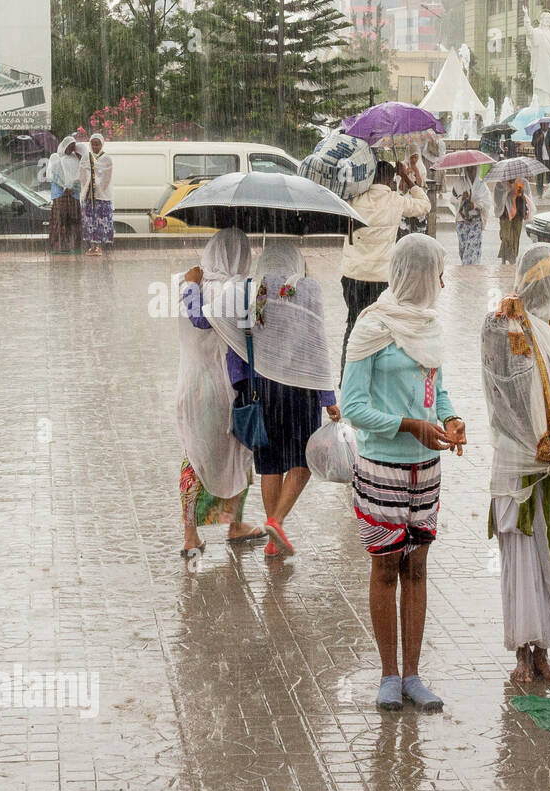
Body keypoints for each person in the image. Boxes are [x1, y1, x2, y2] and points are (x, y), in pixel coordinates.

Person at [340, 234, 466, 712]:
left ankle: (413, 674)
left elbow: (438, 387)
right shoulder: (372, 327)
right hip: (381, 469)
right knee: (385, 566)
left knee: (417, 567)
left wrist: (450, 418)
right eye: (436, 271)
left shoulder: (428, 326)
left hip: (426, 469)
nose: (441, 280)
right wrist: (408, 425)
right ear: (415, 273)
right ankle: (388, 675)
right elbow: (353, 406)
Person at [184, 239, 339, 557]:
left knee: (270, 464)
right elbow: (317, 343)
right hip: (300, 389)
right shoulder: (307, 289)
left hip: (259, 389)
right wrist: (327, 395)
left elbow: (200, 319)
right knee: (303, 460)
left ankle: (272, 538)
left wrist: (190, 287)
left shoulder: (245, 290)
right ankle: (276, 523)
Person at [482, 244, 550, 684]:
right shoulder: (501, 324)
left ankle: (543, 650)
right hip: (519, 460)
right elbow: (498, 394)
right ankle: (522, 656)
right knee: (522, 554)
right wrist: (532, 440)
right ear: (544, 278)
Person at [177, 228, 262, 559]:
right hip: (224, 389)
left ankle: (190, 535)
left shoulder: (190, 285)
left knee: (194, 460)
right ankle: (234, 525)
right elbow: (205, 321)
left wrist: (190, 286)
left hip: (190, 387)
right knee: (237, 456)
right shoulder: (236, 291)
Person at [339, 160, 432, 386]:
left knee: (353, 323)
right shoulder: (395, 201)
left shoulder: (354, 199)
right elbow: (424, 205)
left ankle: (348, 376)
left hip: (352, 275)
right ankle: (375, 378)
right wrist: (407, 178)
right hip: (381, 278)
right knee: (381, 328)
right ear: (391, 180)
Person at [79, 133, 113, 256]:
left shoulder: (106, 159)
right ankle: (92, 246)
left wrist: (97, 188)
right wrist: (88, 188)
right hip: (88, 196)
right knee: (90, 222)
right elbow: (82, 175)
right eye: (93, 144)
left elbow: (106, 179)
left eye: (97, 144)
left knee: (101, 222)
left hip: (102, 197)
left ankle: (99, 246)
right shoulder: (85, 158)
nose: (95, 146)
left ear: (102, 144)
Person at [47, 136, 81, 254]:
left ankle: (74, 246)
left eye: (73, 147)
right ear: (64, 146)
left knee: (74, 220)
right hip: (60, 194)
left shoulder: (75, 159)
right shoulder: (56, 157)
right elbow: (53, 175)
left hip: (73, 195)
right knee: (58, 220)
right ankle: (56, 246)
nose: (71, 149)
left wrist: (73, 187)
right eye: (69, 146)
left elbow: (80, 175)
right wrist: (66, 186)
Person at [451, 165, 490, 265]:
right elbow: (452, 199)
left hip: (476, 222)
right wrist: (461, 199)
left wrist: (475, 205)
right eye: (468, 168)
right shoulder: (459, 183)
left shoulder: (482, 185)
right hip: (462, 221)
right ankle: (466, 273)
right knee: (463, 249)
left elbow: (487, 202)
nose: (471, 171)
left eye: (473, 168)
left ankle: (470, 273)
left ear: (477, 169)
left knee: (472, 248)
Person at [496, 178, 530, 265]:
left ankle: (513, 258)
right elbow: (497, 198)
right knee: (506, 236)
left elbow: (528, 198)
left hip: (518, 213)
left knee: (516, 236)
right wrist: (508, 190)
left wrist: (522, 194)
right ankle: (504, 258)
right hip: (505, 213)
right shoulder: (500, 184)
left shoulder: (523, 182)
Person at [531, 119, 550, 192]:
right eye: (542, 124)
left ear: (549, 124)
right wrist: (539, 138)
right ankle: (539, 193)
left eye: (546, 124)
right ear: (540, 125)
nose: (544, 126)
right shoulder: (537, 132)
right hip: (540, 158)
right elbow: (533, 144)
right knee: (540, 177)